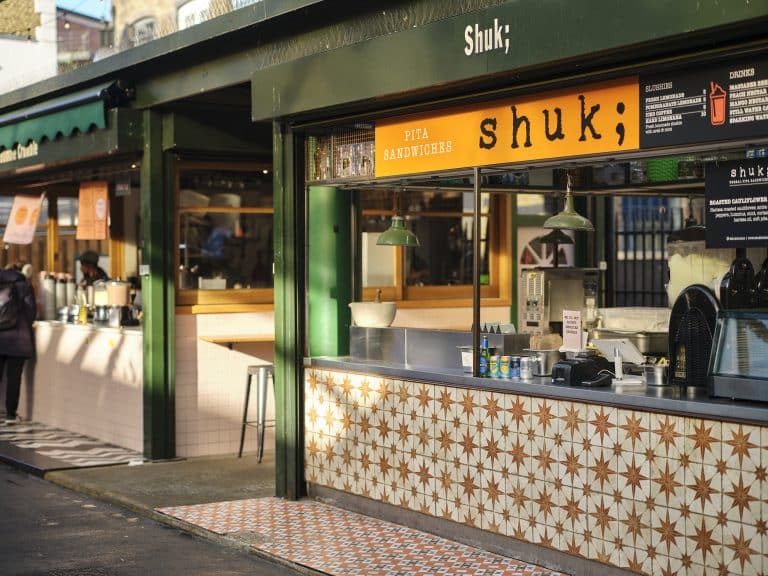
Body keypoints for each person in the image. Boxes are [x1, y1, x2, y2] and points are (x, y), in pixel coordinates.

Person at [0, 265, 36, 425]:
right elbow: (31, 312)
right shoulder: (25, 285)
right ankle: (10, 414)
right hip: (19, 339)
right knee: (14, 378)